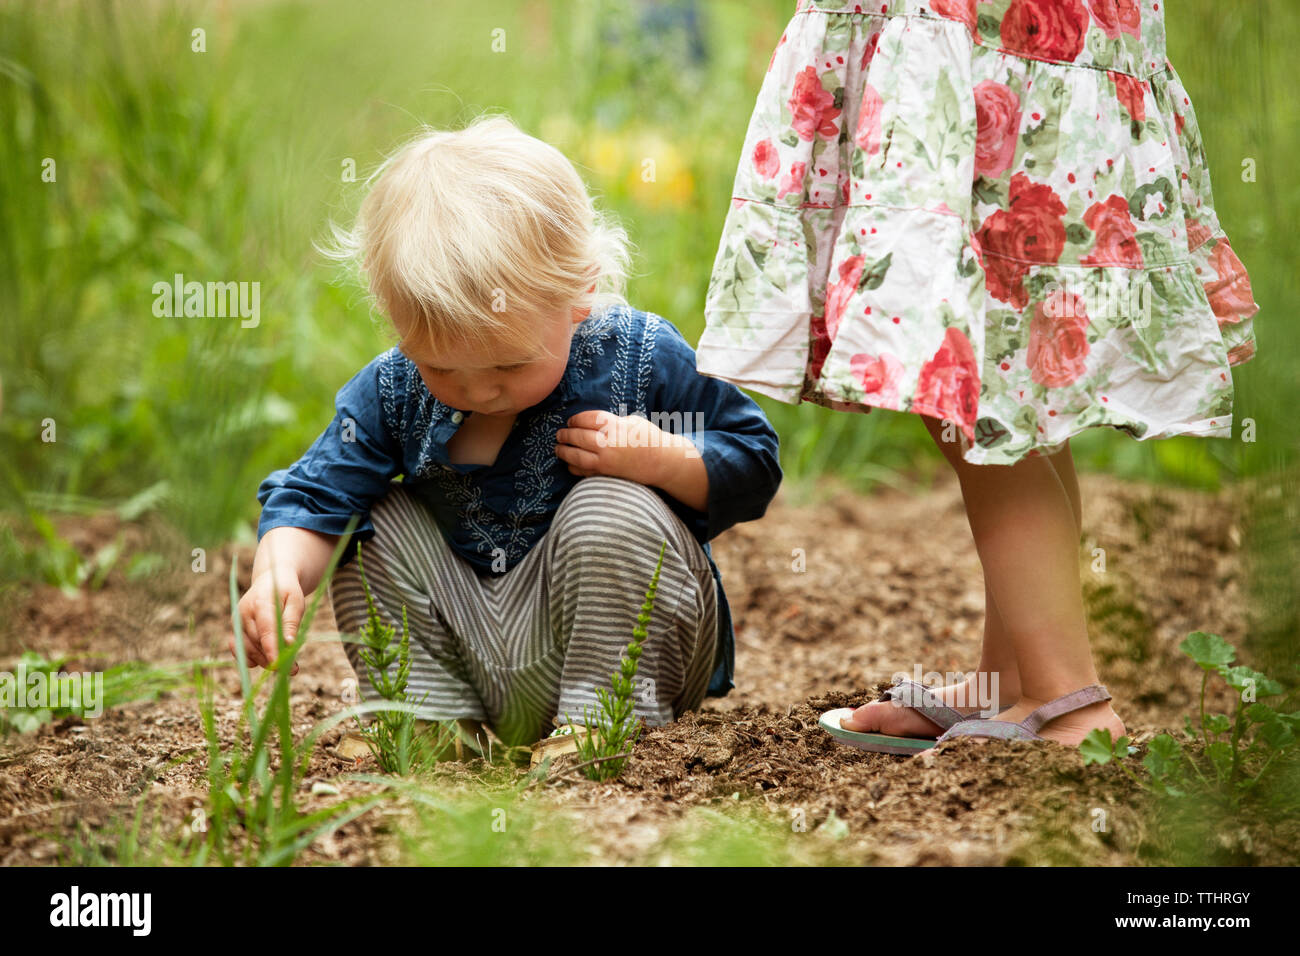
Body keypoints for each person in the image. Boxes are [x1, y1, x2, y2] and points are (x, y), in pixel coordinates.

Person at [696, 0, 1258, 750]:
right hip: (1023, 35)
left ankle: (1070, 699)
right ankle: (1018, 681)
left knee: (976, 384)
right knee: (1008, 372)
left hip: (976, 27)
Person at [235, 113, 783, 750]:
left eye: (508, 363)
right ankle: (435, 721)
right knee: (369, 517)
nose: (477, 390)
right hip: (477, 644)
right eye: (440, 365)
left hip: (617, 647)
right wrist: (279, 570)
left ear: (581, 293)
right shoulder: (392, 388)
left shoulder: (639, 357)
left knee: (613, 503)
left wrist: (662, 458)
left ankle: (604, 724)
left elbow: (753, 461)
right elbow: (316, 495)